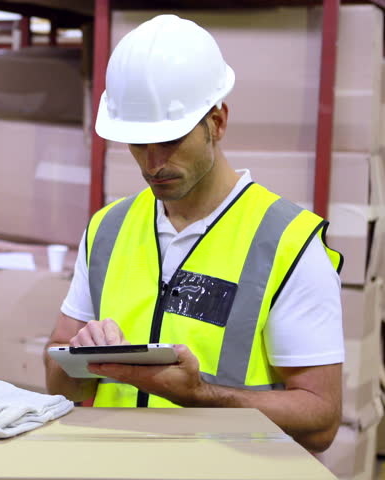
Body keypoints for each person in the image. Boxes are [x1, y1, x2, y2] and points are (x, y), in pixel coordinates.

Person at [43, 14, 344, 453]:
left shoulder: (288, 244)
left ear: (217, 122)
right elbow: (58, 388)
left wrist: (198, 396)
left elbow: (321, 421)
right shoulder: (107, 229)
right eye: (137, 142)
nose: (152, 162)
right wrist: (80, 359)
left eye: (170, 139)